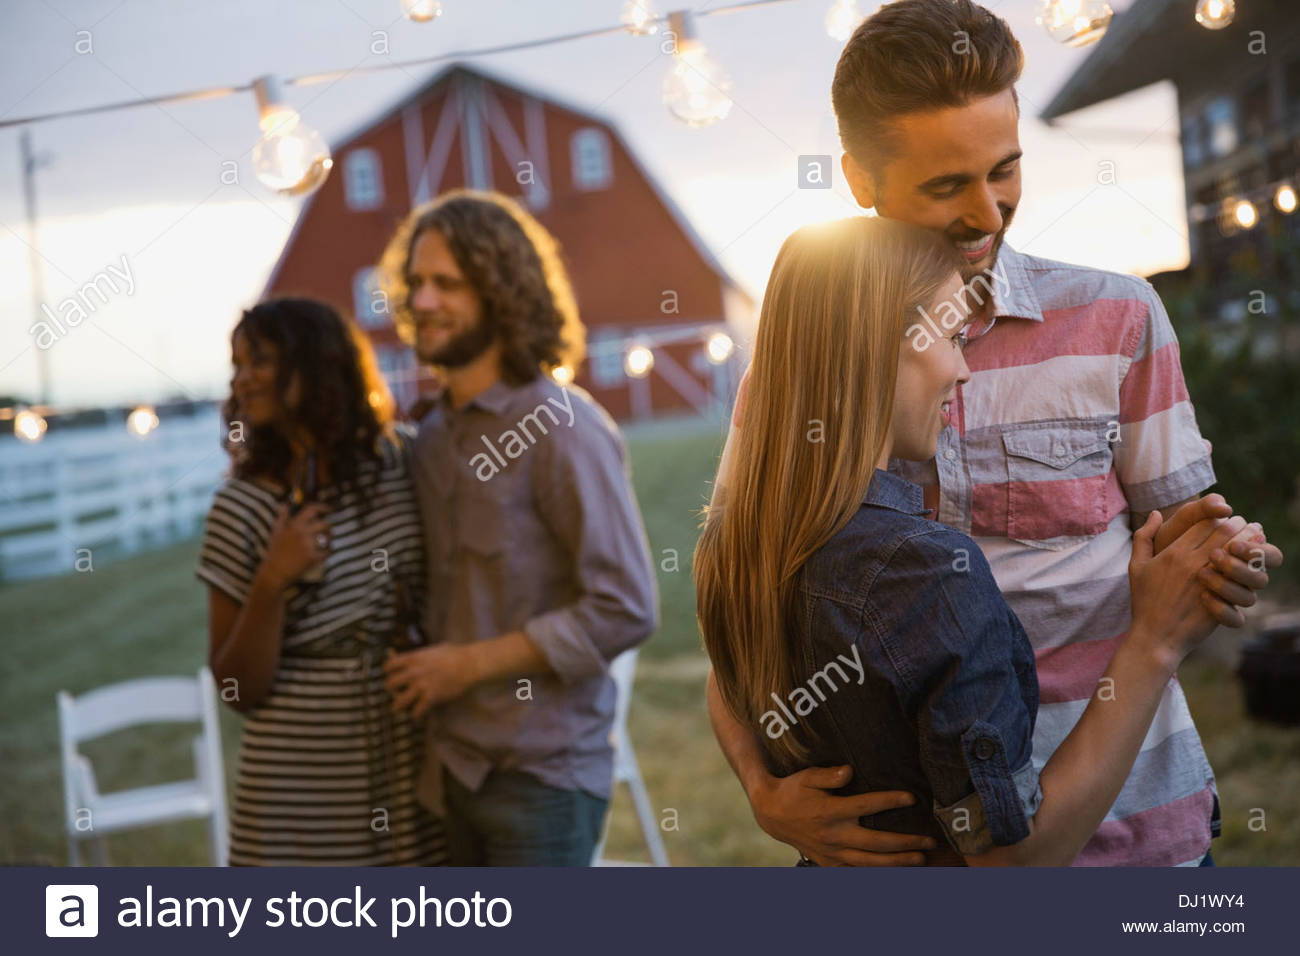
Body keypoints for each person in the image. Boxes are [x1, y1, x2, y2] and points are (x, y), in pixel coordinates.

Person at [704, 0, 1283, 867]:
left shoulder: (1117, 318)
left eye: (1004, 169)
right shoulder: (796, 379)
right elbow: (747, 599)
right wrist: (761, 787)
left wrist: (1222, 558)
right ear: (859, 182)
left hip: (1132, 837)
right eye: (946, 186)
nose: (987, 212)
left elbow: (1186, 541)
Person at [379, 190, 659, 866]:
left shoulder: (562, 427)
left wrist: (464, 666)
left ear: (502, 291)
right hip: (449, 770)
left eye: (447, 283)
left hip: (543, 778)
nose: (422, 301)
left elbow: (626, 607)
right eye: (416, 282)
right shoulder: (433, 436)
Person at [198, 297, 446, 866]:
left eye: (259, 360)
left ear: (319, 365)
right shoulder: (243, 505)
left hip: (408, 759)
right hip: (301, 790)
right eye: (237, 364)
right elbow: (237, 687)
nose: (243, 378)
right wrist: (272, 581)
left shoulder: (400, 460)